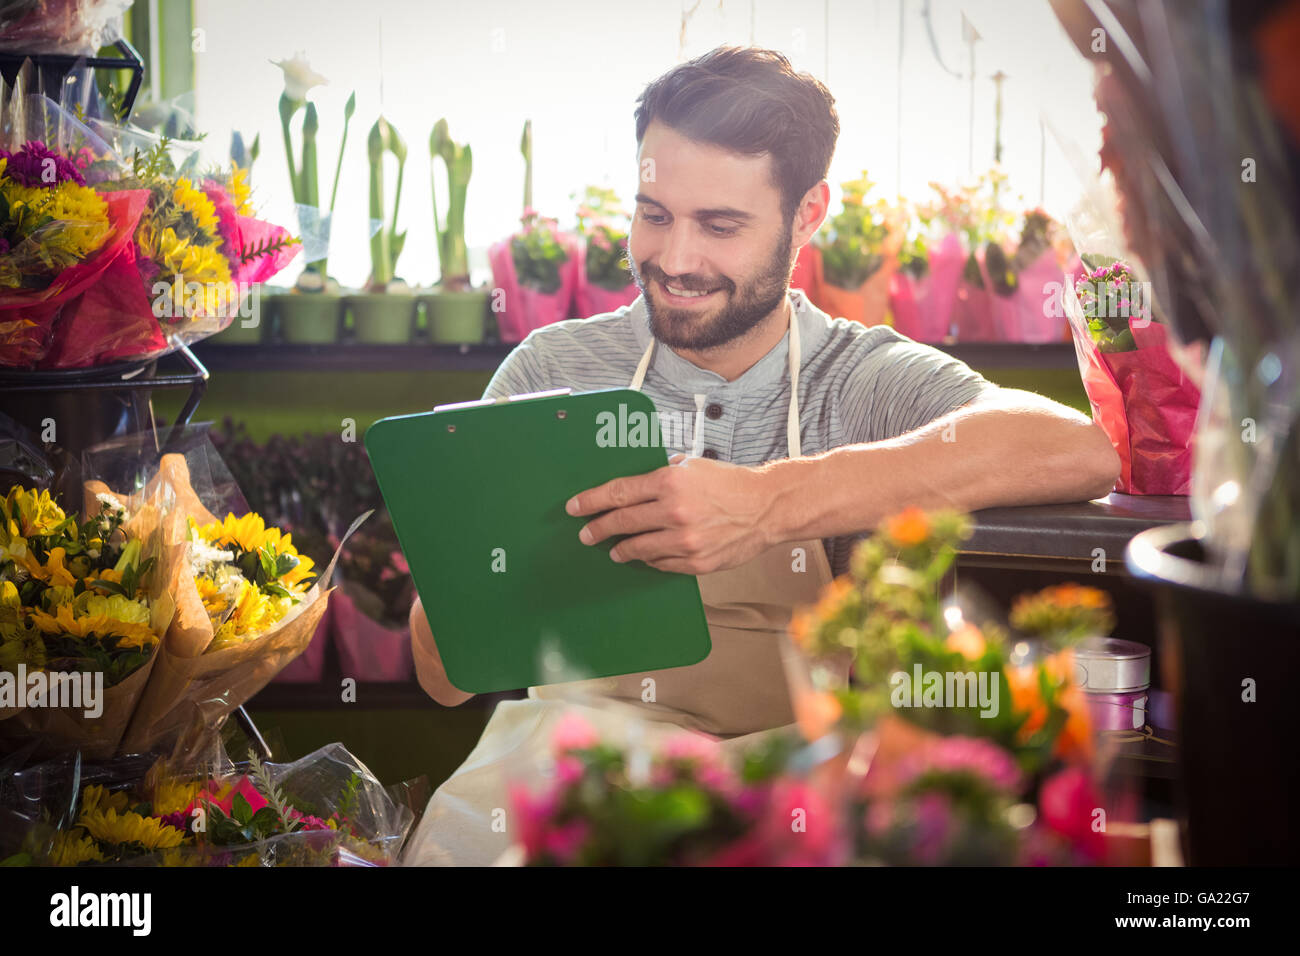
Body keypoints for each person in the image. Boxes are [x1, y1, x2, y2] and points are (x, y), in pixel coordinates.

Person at [402, 46, 1120, 865]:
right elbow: (442, 679)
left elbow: (1077, 449)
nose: (674, 260)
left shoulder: (859, 382)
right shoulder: (550, 373)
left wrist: (767, 504)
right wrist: (476, 570)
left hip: (787, 795)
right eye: (654, 213)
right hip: (567, 783)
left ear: (808, 214)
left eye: (720, 225)